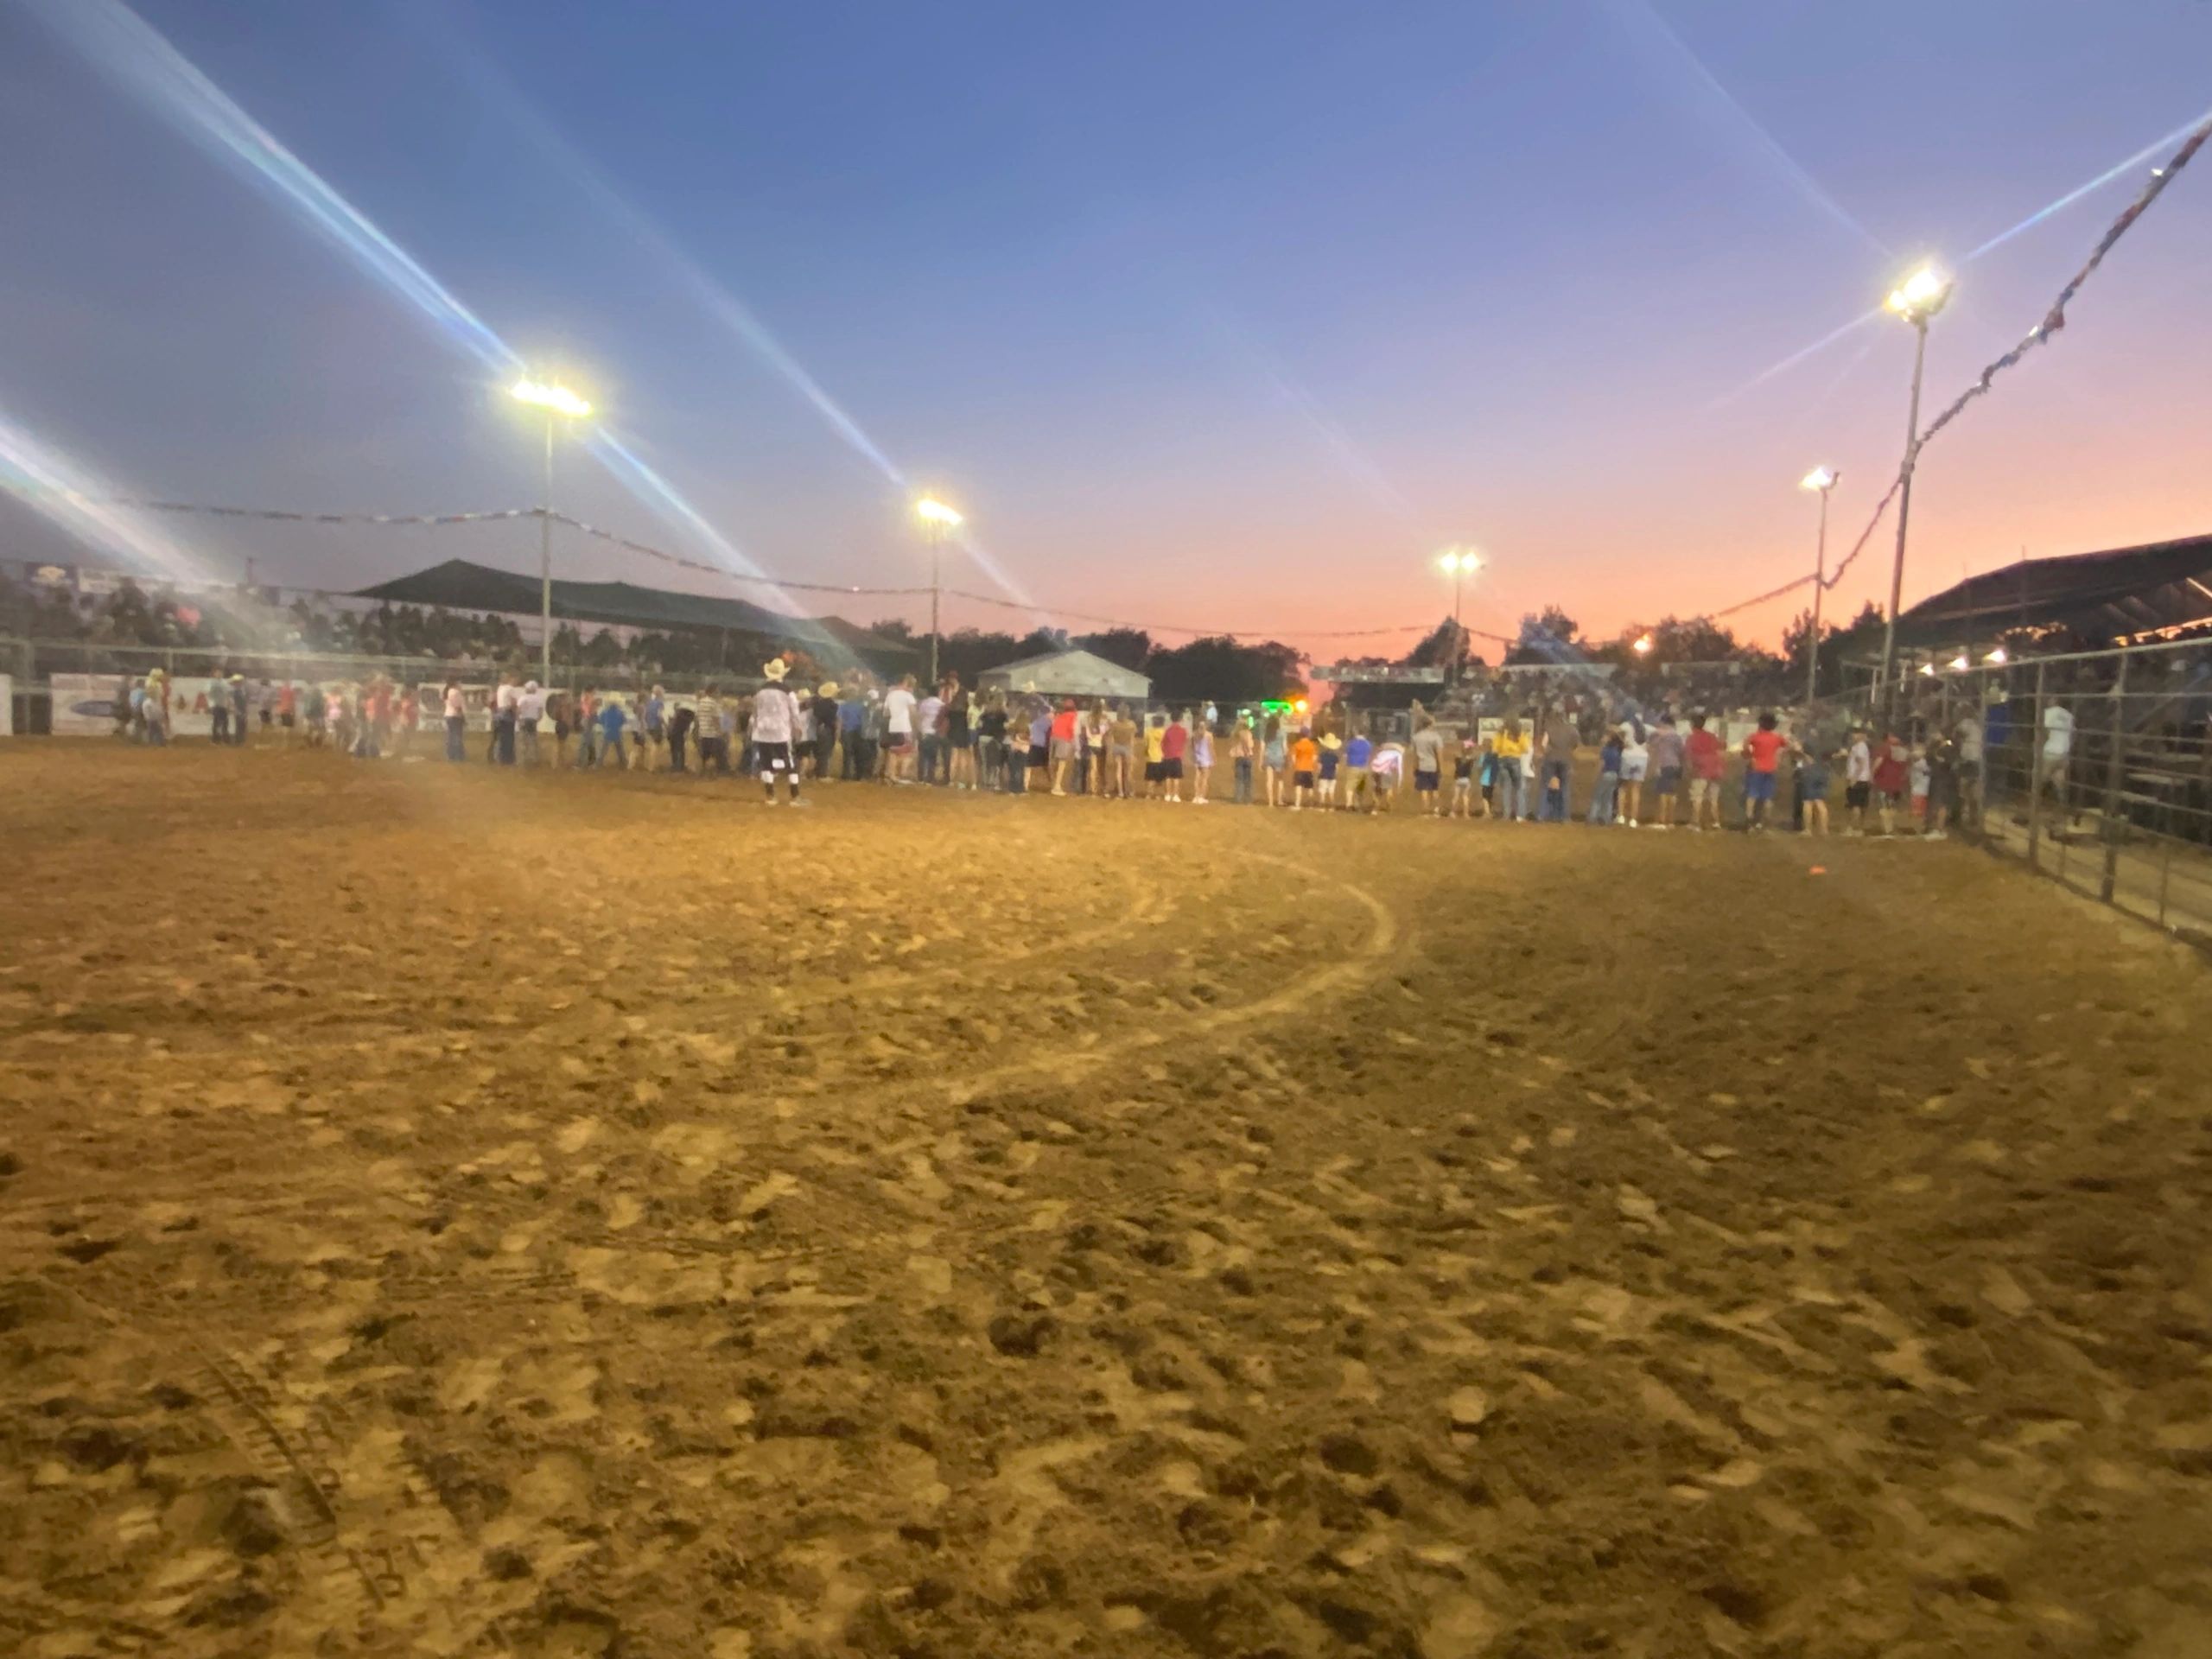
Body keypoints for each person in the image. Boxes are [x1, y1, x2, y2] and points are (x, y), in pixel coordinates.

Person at [752, 659, 806, 804]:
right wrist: (798, 728)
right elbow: (794, 713)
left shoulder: (760, 691)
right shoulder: (787, 691)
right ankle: (795, 796)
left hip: (762, 730)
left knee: (766, 763)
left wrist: (754, 727)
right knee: (790, 763)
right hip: (781, 731)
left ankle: (770, 796)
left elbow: (755, 711)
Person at [1741, 712, 1788, 832]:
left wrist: (1750, 756)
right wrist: (1779, 757)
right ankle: (1764, 823)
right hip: (1771, 768)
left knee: (1752, 796)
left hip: (1756, 768)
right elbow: (1788, 746)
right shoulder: (1777, 737)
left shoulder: (1754, 736)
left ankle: (1749, 823)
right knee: (1768, 798)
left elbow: (1745, 749)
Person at [1685, 713, 1725, 832]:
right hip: (1715, 769)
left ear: (1692, 724)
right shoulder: (1712, 736)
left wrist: (1690, 770)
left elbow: (1688, 757)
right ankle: (1716, 822)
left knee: (1697, 797)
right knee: (1714, 799)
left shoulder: (1692, 738)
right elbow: (1721, 749)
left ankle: (1696, 823)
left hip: (1701, 769)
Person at [1646, 714, 1685, 830]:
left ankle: (1662, 821)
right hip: (1676, 764)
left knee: (1663, 792)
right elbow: (1681, 752)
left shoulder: (1658, 735)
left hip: (1664, 765)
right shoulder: (1677, 736)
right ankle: (1671, 820)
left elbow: (1652, 748)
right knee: (1672, 793)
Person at [1538, 709, 1577, 822]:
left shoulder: (1549, 729)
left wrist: (1547, 753)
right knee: (1565, 787)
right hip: (1565, 759)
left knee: (1545, 786)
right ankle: (1565, 817)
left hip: (1551, 759)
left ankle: (1541, 815)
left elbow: (1543, 745)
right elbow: (1575, 744)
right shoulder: (1572, 729)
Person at [1872, 728, 1910, 836]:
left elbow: (1878, 762)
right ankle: (1890, 826)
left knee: (1884, 805)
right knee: (1892, 805)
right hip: (1898, 782)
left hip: (1884, 781)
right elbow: (1907, 767)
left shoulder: (1884, 748)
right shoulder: (1904, 750)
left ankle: (1887, 828)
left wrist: (1871, 774)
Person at [1954, 702, 1986, 829]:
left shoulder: (1966, 722)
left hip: (1968, 760)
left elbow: (1956, 734)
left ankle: (1959, 817)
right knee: (1974, 792)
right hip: (1978, 759)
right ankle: (1974, 818)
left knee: (1963, 789)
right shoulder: (1978, 723)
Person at [2041, 698, 2074, 817]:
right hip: (2064, 753)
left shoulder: (2049, 712)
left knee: (2039, 781)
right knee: (2059, 782)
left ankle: (2033, 809)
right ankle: (2062, 809)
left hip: (2051, 751)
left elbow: (2044, 730)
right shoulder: (2069, 715)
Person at [1491, 718, 1528, 821]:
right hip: (1515, 759)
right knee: (1519, 788)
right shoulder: (1520, 733)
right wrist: (1515, 749)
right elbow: (1525, 748)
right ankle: (1520, 815)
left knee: (1506, 788)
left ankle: (1506, 815)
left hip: (1502, 759)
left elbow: (1494, 749)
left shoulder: (1501, 733)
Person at [1410, 715, 1447, 816]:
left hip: (1422, 766)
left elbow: (1415, 755)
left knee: (1424, 789)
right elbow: (1439, 754)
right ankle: (1436, 809)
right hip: (1433, 766)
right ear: (1430, 724)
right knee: (1434, 788)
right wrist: (1441, 768)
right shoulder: (1436, 737)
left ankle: (1425, 809)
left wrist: (1414, 767)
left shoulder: (1416, 737)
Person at [1796, 734, 1832, 835]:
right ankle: (1824, 830)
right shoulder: (1823, 748)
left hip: (1811, 775)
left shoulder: (1807, 753)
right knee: (1820, 802)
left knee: (1808, 803)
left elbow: (1806, 760)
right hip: (1823, 774)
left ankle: (1808, 830)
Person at [1925, 733, 1959, 839]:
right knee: (1937, 803)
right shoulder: (1934, 749)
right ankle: (1936, 828)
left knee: (1941, 805)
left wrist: (1938, 753)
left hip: (1945, 780)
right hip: (1937, 779)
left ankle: (1939, 830)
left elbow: (1948, 763)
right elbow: (1929, 759)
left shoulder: (1948, 748)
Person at [884, 675, 918, 783]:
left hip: (893, 726)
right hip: (904, 726)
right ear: (906, 683)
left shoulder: (890, 694)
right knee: (906, 752)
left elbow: (886, 713)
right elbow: (913, 713)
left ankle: (890, 774)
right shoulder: (908, 696)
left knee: (893, 751)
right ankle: (900, 774)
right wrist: (915, 727)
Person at [1617, 718, 1649, 828]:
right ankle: (1633, 819)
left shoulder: (1625, 725)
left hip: (1628, 756)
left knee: (1623, 788)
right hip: (1642, 758)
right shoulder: (1646, 727)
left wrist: (1623, 742)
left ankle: (1621, 816)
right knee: (1636, 790)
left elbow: (1614, 730)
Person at [1843, 727, 1873, 834]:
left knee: (1855, 805)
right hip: (1863, 779)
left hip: (1858, 780)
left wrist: (1854, 779)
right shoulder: (1861, 747)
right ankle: (1860, 829)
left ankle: (1852, 828)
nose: (1853, 736)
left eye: (1856, 733)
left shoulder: (1859, 747)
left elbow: (1860, 763)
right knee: (1862, 806)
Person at [1589, 728, 1622, 825]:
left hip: (1606, 774)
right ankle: (1606, 818)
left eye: (1605, 736)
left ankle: (1592, 817)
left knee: (1597, 797)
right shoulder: (1617, 750)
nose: (1602, 738)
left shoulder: (1605, 750)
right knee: (1608, 798)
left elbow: (1601, 764)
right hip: (1614, 775)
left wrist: (1595, 776)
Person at [947, 686, 977, 790]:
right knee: (964, 759)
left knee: (954, 758)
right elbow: (969, 722)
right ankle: (962, 781)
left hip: (953, 733)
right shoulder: (967, 708)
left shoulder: (951, 708)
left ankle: (952, 781)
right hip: (964, 733)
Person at [1049, 698, 1080, 796]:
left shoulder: (1059, 714)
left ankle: (1054, 784)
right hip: (1064, 738)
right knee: (1062, 764)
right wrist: (1072, 740)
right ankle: (1057, 786)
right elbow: (1071, 728)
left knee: (1054, 762)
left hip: (1054, 737)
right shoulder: (1073, 715)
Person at [917, 683, 946, 785]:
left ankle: (920, 777)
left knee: (922, 756)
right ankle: (930, 777)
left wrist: (918, 729)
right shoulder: (941, 704)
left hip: (924, 730)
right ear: (939, 693)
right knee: (932, 757)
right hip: (934, 732)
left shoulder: (924, 703)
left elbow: (920, 717)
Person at [1159, 709, 1190, 804]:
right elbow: (1184, 742)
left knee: (1168, 777)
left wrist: (1164, 753)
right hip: (1177, 756)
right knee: (1176, 777)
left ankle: (1168, 794)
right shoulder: (1183, 731)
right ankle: (1175, 795)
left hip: (1168, 756)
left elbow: (1163, 744)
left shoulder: (1167, 731)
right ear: (1180, 719)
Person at [1341, 728, 1374, 812]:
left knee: (1350, 786)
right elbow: (1369, 757)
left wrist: (1345, 765)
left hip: (1352, 766)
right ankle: (1358, 804)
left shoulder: (1351, 744)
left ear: (1356, 734)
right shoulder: (1368, 744)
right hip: (1363, 767)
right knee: (1360, 787)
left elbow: (1345, 755)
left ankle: (1349, 804)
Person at [597, 692, 630, 772]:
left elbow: (600, 720)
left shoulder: (605, 711)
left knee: (603, 749)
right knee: (620, 749)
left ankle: (599, 763)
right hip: (617, 732)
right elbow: (624, 721)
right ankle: (623, 763)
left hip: (607, 732)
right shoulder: (620, 712)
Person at [516, 680, 546, 767]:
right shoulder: (539, 699)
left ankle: (522, 760)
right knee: (533, 739)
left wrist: (519, 720)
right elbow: (540, 713)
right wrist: (537, 719)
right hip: (533, 720)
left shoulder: (523, 698)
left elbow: (518, 710)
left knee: (523, 740)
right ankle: (534, 759)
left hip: (524, 719)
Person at [1370, 737, 1404, 810]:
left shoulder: (1382, 752)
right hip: (1386, 772)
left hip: (1375, 770)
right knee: (1389, 788)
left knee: (1377, 789)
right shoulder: (1398, 754)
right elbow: (1400, 770)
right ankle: (1389, 806)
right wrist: (1399, 784)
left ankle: (1375, 807)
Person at [1288, 728, 1319, 810]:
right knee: (1310, 787)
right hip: (1309, 768)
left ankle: (1297, 804)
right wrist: (1311, 764)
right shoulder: (1312, 745)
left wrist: (1295, 764)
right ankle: (1310, 805)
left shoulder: (1297, 745)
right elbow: (1315, 758)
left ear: (1300, 734)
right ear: (1308, 735)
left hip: (1299, 768)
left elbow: (1294, 758)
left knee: (1298, 787)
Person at [1452, 733, 1481, 818]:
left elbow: (1456, 753)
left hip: (1458, 779)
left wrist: (1465, 744)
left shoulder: (1458, 757)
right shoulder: (1471, 759)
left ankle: (1453, 813)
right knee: (1465, 797)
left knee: (1456, 796)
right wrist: (1471, 745)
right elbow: (1476, 754)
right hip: (1467, 780)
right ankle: (1466, 814)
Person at [1262, 716, 1288, 807]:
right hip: (1279, 757)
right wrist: (1286, 758)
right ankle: (1279, 800)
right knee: (1280, 780)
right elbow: (1285, 747)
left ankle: (1270, 802)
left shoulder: (1266, 733)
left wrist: (1261, 761)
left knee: (1269, 780)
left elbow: (1262, 748)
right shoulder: (1282, 732)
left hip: (1268, 756)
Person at [668, 692, 696, 773]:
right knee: (679, 749)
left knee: (675, 749)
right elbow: (687, 726)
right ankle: (680, 766)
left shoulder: (678, 715)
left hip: (673, 733)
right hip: (677, 733)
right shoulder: (687, 715)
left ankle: (676, 765)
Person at [1230, 718, 1256, 805]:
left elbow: (1232, 747)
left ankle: (1238, 798)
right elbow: (1251, 745)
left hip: (1239, 758)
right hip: (1247, 757)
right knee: (1248, 780)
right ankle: (1248, 799)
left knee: (1239, 779)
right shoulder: (1248, 734)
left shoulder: (1235, 734)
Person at [1190, 716, 1215, 805]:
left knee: (1197, 778)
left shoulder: (1194, 734)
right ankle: (1201, 797)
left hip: (1197, 758)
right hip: (1206, 758)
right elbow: (1211, 748)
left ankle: (1196, 796)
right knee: (1205, 779)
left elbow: (1192, 747)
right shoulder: (1209, 735)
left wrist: (1194, 757)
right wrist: (1213, 759)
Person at [1317, 732, 1342, 806]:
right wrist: (1335, 774)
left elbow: (1319, 766)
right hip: (1332, 775)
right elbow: (1337, 767)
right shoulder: (1335, 756)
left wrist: (1318, 773)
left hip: (1323, 775)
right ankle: (1332, 805)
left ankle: (1322, 804)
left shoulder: (1322, 755)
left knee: (1322, 791)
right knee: (1331, 792)